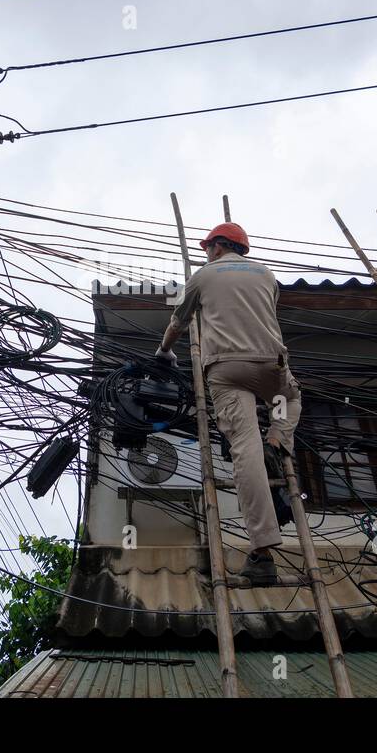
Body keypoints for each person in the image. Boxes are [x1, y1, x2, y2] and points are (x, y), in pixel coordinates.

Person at [155, 222, 300, 584]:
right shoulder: (267, 275)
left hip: (227, 370)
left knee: (244, 451)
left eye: (208, 247)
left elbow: (179, 322)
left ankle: (263, 547)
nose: (206, 252)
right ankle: (278, 439)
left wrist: (164, 351)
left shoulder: (203, 277)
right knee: (291, 399)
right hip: (271, 365)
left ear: (218, 246)